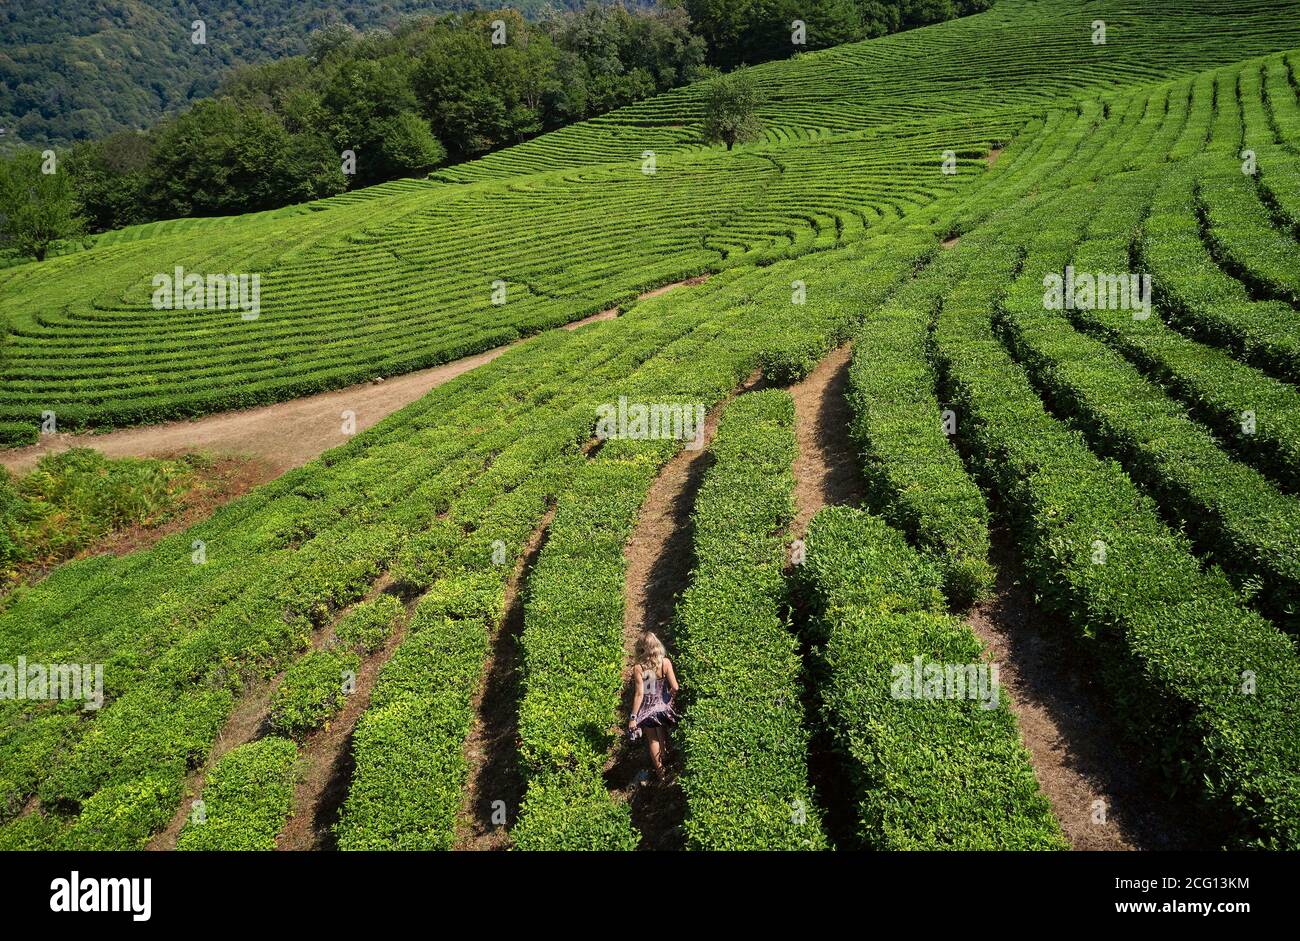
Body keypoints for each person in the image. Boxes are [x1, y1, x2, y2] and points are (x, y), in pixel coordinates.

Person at [627, 632, 679, 780]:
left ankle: (661, 774)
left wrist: (633, 717)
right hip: (663, 706)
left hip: (649, 708)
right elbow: (675, 687)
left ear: (642, 648)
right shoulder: (665, 662)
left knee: (652, 739)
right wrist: (668, 698)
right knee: (661, 731)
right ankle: (666, 756)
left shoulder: (640, 667)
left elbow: (640, 694)